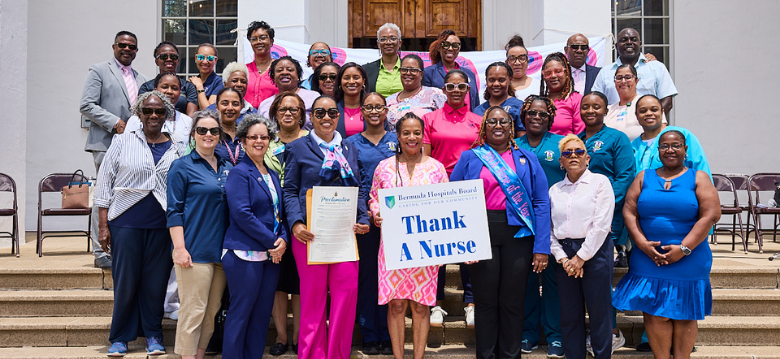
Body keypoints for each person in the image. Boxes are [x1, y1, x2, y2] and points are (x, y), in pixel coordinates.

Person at [450, 106, 551, 359]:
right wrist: (463, 242)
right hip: (481, 231)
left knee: (513, 301)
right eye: (492, 121)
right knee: (485, 301)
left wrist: (541, 247)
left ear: (511, 127)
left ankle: (510, 355)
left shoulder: (528, 159)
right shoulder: (470, 157)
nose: (498, 126)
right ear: (485, 126)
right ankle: (486, 355)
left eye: (503, 122)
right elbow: (454, 200)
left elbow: (540, 203)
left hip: (519, 235)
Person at [613, 130, 720, 359]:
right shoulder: (644, 176)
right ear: (658, 150)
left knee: (685, 313)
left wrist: (683, 249)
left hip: (690, 257)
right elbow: (629, 211)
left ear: (685, 149)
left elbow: (711, 215)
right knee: (653, 313)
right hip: (648, 257)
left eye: (676, 145)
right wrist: (641, 244)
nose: (670, 150)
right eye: (664, 146)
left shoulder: (698, 177)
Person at [95, 91, 187, 356]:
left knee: (156, 282)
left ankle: (153, 335)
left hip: (163, 224)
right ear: (139, 114)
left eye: (159, 111)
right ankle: (120, 337)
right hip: (126, 222)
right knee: (125, 280)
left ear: (167, 115)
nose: (154, 116)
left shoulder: (178, 145)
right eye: (148, 111)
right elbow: (104, 184)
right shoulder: (122, 142)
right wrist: (103, 227)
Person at [282, 95, 370, 359]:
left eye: (332, 112)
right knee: (313, 299)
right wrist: (296, 223)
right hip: (310, 236)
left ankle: (337, 354)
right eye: (320, 113)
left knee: (346, 296)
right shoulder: (298, 147)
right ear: (311, 116)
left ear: (339, 116)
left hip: (344, 235)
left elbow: (358, 188)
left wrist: (364, 218)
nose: (326, 118)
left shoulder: (349, 148)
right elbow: (290, 190)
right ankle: (312, 355)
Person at [368, 113, 449, 359]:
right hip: (393, 246)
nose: (411, 137)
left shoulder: (436, 168)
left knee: (421, 306)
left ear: (423, 135)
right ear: (398, 136)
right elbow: (374, 197)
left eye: (416, 133)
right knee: (396, 304)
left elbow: (447, 204)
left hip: (426, 248)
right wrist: (376, 214)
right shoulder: (385, 167)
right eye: (406, 133)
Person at [81, 30, 149, 269]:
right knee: (103, 195)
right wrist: (114, 122)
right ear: (114, 47)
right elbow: (86, 105)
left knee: (125, 194)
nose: (127, 49)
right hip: (106, 143)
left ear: (137, 51)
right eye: (123, 45)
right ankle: (100, 252)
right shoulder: (99, 70)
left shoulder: (142, 79)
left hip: (132, 147)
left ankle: (118, 247)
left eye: (132, 47)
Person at [222, 114, 289, 359]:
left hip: (270, 256)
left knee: (261, 314)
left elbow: (278, 214)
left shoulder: (271, 173)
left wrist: (284, 240)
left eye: (264, 137)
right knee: (241, 313)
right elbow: (242, 214)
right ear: (243, 141)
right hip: (243, 253)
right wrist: (274, 242)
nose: (259, 141)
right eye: (253, 137)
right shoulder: (239, 172)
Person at [166, 110, 230, 359]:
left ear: (220, 135)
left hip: (222, 253)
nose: (208, 135)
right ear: (193, 134)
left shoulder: (226, 165)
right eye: (202, 130)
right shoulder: (181, 167)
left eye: (214, 131)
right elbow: (174, 212)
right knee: (193, 311)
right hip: (194, 251)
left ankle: (199, 355)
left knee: (211, 310)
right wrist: (179, 249)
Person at [422, 69, 480, 328]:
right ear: (443, 90)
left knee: (469, 250)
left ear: (468, 90)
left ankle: (470, 303)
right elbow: (425, 158)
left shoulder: (478, 120)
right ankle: (436, 304)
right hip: (439, 190)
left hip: (469, 191)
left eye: (461, 86)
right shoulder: (429, 118)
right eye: (451, 86)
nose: (456, 91)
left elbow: (482, 158)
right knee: (437, 251)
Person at [549, 134, 615, 359]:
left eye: (578, 152)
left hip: (595, 252)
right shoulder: (554, 190)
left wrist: (581, 258)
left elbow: (602, 224)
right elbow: (548, 229)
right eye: (567, 153)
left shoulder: (600, 182)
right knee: (569, 314)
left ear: (588, 158)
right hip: (564, 256)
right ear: (561, 161)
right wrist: (563, 258)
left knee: (599, 312)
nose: (573, 156)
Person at [345, 93, 397, 355]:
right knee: (367, 277)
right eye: (369, 107)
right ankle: (369, 333)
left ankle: (389, 334)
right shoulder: (350, 143)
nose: (374, 111)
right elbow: (350, 182)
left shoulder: (397, 141)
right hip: (363, 220)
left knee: (389, 277)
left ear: (386, 110)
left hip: (395, 219)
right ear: (361, 112)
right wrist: (363, 214)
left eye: (379, 107)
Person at [515, 95, 565, 357]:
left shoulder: (561, 144)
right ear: (523, 115)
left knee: (553, 281)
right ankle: (529, 333)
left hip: (554, 223)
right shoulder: (513, 145)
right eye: (531, 113)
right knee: (527, 282)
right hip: (521, 225)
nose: (536, 117)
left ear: (550, 118)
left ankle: (556, 336)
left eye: (542, 114)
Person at [264, 92, 308, 356]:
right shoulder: (266, 143)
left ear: (302, 113)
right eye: (283, 109)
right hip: (272, 224)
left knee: (300, 285)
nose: (289, 113)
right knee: (279, 285)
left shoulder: (312, 142)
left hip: (304, 222)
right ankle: (281, 337)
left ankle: (299, 336)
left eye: (294, 109)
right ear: (275, 112)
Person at [578, 91, 635, 270]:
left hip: (608, 210)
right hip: (580, 212)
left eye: (596, 107)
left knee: (601, 266)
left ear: (605, 111)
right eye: (585, 106)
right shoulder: (575, 140)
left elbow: (625, 177)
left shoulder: (618, 138)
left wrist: (604, 204)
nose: (590, 110)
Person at [591, 28, 678, 113]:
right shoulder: (605, 72)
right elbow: (596, 102)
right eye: (624, 40)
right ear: (616, 46)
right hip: (614, 125)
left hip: (648, 125)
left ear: (640, 44)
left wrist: (651, 120)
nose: (629, 42)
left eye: (633, 39)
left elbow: (667, 102)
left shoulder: (657, 68)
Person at [385, 54, 445, 132]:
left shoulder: (435, 94)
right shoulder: (389, 100)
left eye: (413, 70)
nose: (408, 73)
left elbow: (446, 123)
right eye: (404, 69)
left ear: (421, 74)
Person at [423, 29, 480, 111]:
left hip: (468, 122)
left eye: (455, 45)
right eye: (446, 45)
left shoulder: (470, 74)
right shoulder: (429, 73)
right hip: (442, 121)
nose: (450, 48)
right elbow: (427, 104)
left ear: (459, 49)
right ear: (439, 48)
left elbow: (476, 104)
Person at [258, 56, 320, 130]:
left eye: (290, 70)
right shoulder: (265, 105)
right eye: (279, 70)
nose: (284, 72)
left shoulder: (313, 97)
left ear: (298, 75)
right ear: (273, 77)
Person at [138, 41, 199, 116]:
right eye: (163, 57)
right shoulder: (146, 87)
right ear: (157, 61)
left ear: (178, 61)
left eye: (173, 57)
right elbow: (142, 113)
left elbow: (191, 116)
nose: (169, 59)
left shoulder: (188, 87)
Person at [126, 73, 193, 140]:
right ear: (155, 90)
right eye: (164, 87)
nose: (169, 91)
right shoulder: (136, 119)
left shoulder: (187, 122)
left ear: (179, 92)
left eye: (174, 88)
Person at [474, 62, 526, 137]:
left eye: (501, 80)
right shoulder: (477, 111)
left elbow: (522, 140)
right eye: (491, 80)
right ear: (486, 80)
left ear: (510, 80)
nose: (496, 84)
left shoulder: (520, 107)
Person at [540, 52, 584, 136]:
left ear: (567, 72)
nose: (553, 76)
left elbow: (580, 135)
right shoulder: (539, 102)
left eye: (558, 71)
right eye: (548, 73)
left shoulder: (576, 99)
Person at [604, 64, 645, 141]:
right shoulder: (608, 110)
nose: (623, 81)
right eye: (619, 78)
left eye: (628, 77)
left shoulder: (647, 105)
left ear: (636, 81)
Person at [245, 21, 279, 108]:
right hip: (245, 119)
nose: (258, 42)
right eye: (254, 39)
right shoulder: (243, 70)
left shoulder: (279, 70)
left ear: (271, 41)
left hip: (271, 119)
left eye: (263, 38)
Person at [363, 23, 403, 97]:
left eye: (393, 38)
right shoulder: (366, 70)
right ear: (378, 44)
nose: (388, 42)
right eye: (383, 39)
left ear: (399, 43)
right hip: (376, 108)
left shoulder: (409, 68)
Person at [334, 62, 370, 138]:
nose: (351, 82)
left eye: (356, 77)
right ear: (340, 82)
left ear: (363, 81)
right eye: (346, 78)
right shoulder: (332, 110)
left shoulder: (373, 109)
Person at [214, 88, 246, 166]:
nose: (230, 108)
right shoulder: (209, 134)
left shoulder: (246, 134)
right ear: (217, 106)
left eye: (235, 104)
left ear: (241, 107)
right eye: (225, 103)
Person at [189, 43, 224, 110]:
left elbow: (209, 110)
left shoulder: (219, 83)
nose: (205, 61)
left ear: (215, 60)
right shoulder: (192, 81)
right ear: (196, 59)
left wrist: (199, 87)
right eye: (201, 57)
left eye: (210, 58)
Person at [505, 35, 538, 101]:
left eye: (522, 58)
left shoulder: (538, 86)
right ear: (507, 62)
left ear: (527, 61)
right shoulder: (501, 87)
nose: (517, 63)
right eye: (512, 58)